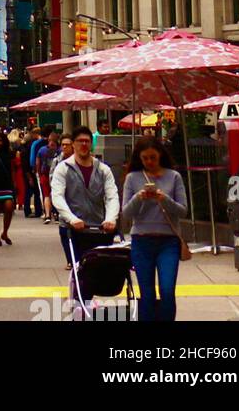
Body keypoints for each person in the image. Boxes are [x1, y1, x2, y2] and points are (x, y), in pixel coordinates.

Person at [121, 138, 188, 322]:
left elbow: (183, 210)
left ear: (160, 155)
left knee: (167, 290)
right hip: (141, 241)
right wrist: (139, 197)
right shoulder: (132, 178)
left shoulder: (174, 176)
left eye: (153, 157)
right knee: (147, 293)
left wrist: (163, 198)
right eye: (145, 158)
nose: (149, 162)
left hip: (168, 242)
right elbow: (126, 213)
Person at [50, 125, 119, 273]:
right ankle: (78, 295)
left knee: (99, 272)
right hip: (72, 229)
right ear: (73, 144)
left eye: (87, 141)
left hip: (98, 228)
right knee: (79, 271)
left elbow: (112, 196)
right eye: (80, 141)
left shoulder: (103, 169)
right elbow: (57, 197)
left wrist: (111, 218)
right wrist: (71, 218)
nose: (84, 144)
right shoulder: (63, 169)